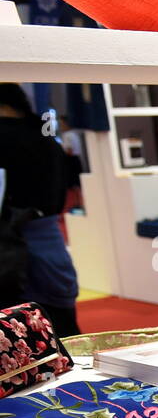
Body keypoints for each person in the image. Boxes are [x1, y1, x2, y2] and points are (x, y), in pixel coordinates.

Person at [0, 83, 80, 337]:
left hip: (12, 245)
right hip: (51, 242)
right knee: (63, 325)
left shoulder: (3, 137)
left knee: (19, 333)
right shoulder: (46, 139)